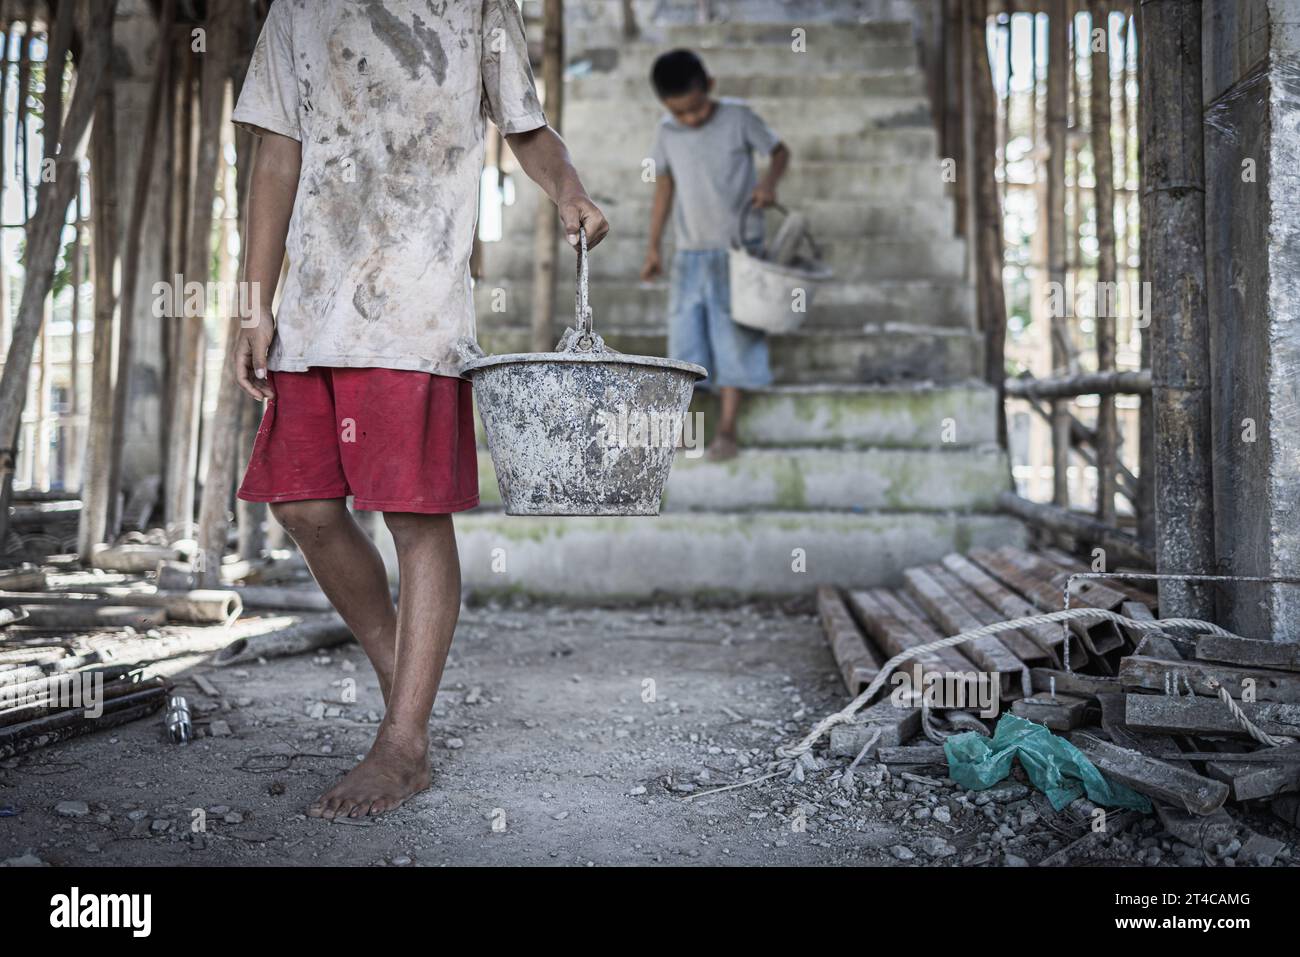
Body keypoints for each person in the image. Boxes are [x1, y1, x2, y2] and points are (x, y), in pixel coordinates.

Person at [230, 0, 608, 819]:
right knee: (302, 505)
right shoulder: (296, 7)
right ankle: (401, 670)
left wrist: (569, 191)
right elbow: (274, 152)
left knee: (413, 515)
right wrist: (253, 302)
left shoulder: (476, 5)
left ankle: (403, 744)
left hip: (416, 303)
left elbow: (526, 126)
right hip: (314, 302)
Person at [640, 49, 789, 461]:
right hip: (690, 254)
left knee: (734, 338)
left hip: (739, 252)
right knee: (684, 340)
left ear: (710, 85)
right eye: (679, 113)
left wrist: (769, 183)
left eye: (695, 109)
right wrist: (653, 247)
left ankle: (726, 430)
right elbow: (664, 188)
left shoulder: (739, 118)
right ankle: (683, 430)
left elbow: (779, 151)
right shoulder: (667, 132)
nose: (690, 119)